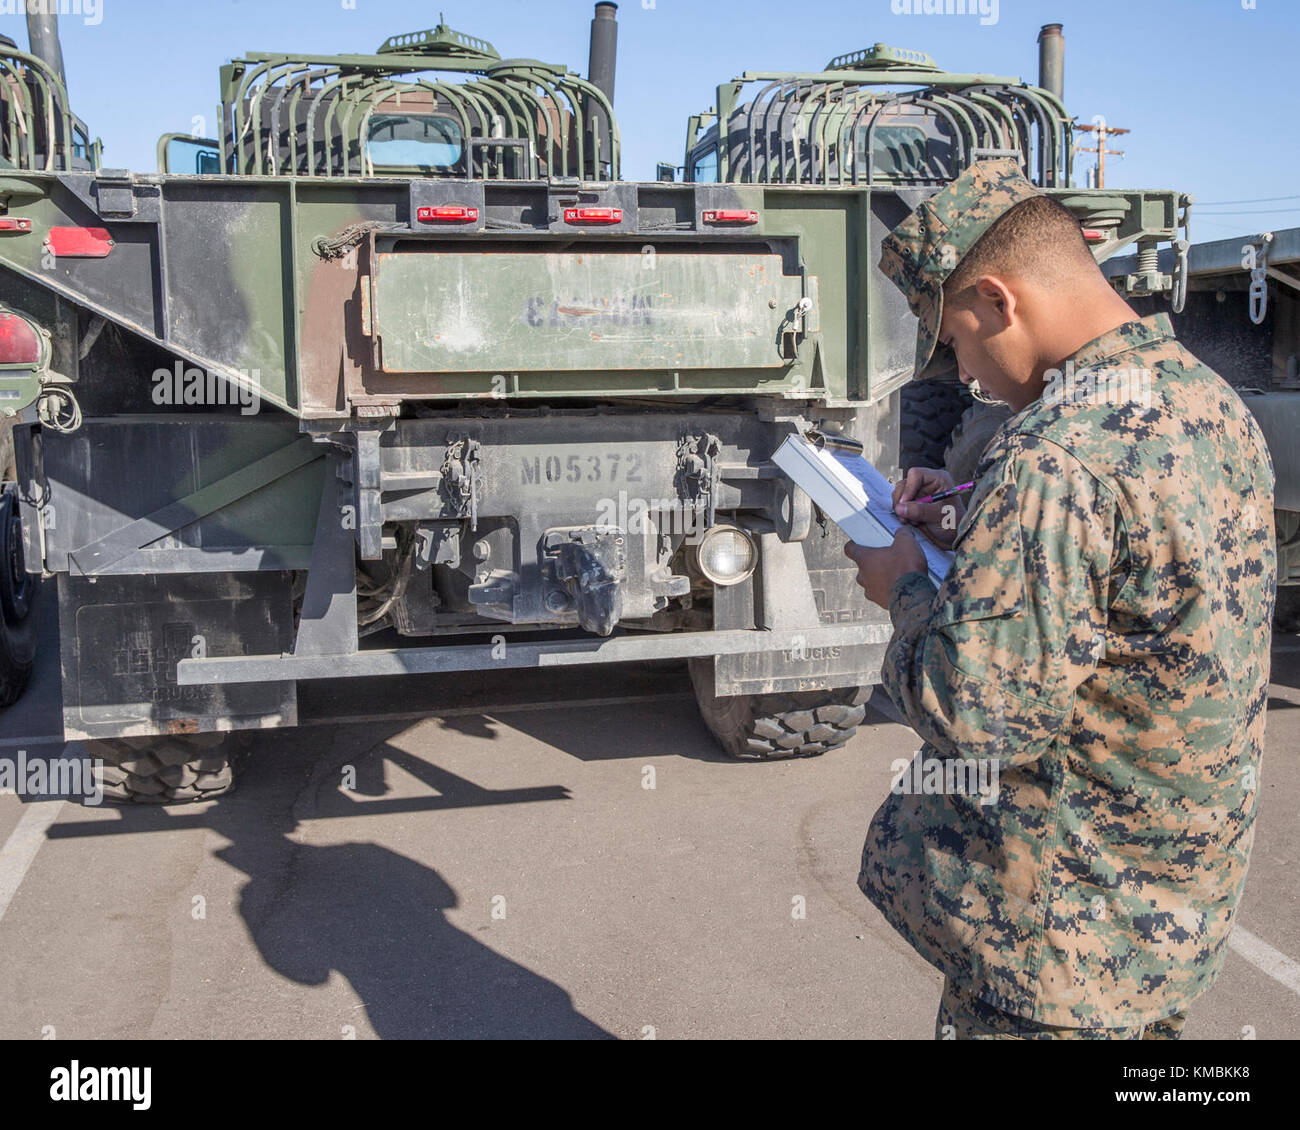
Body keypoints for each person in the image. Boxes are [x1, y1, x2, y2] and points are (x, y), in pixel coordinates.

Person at [845, 158, 1277, 1039]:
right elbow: (1143, 587)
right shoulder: (1207, 401)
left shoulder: (1054, 453)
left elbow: (979, 712)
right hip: (1161, 917)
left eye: (959, 343)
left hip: (1058, 937)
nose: (968, 374)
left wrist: (904, 587)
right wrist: (976, 526)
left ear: (1001, 301)